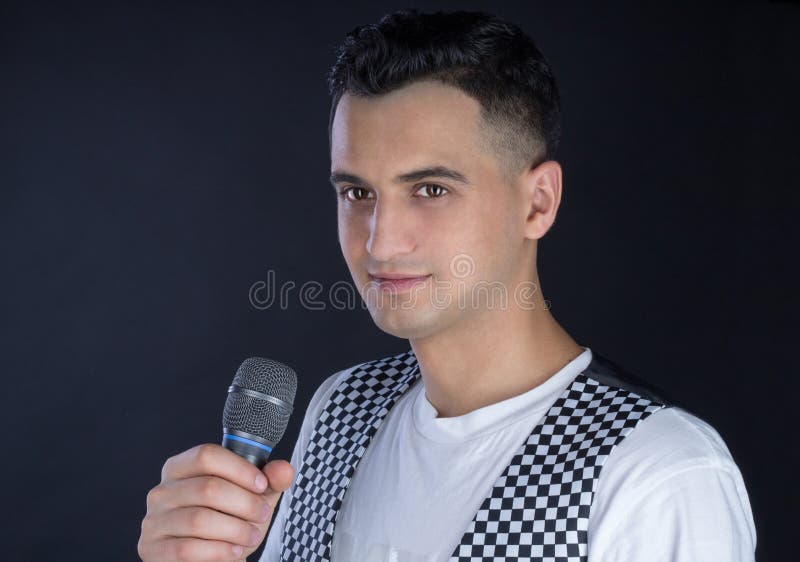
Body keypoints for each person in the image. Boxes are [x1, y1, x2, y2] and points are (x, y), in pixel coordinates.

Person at [138, 8, 756, 562]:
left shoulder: (657, 473)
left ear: (537, 203)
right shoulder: (338, 413)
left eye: (431, 190)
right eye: (357, 192)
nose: (379, 242)